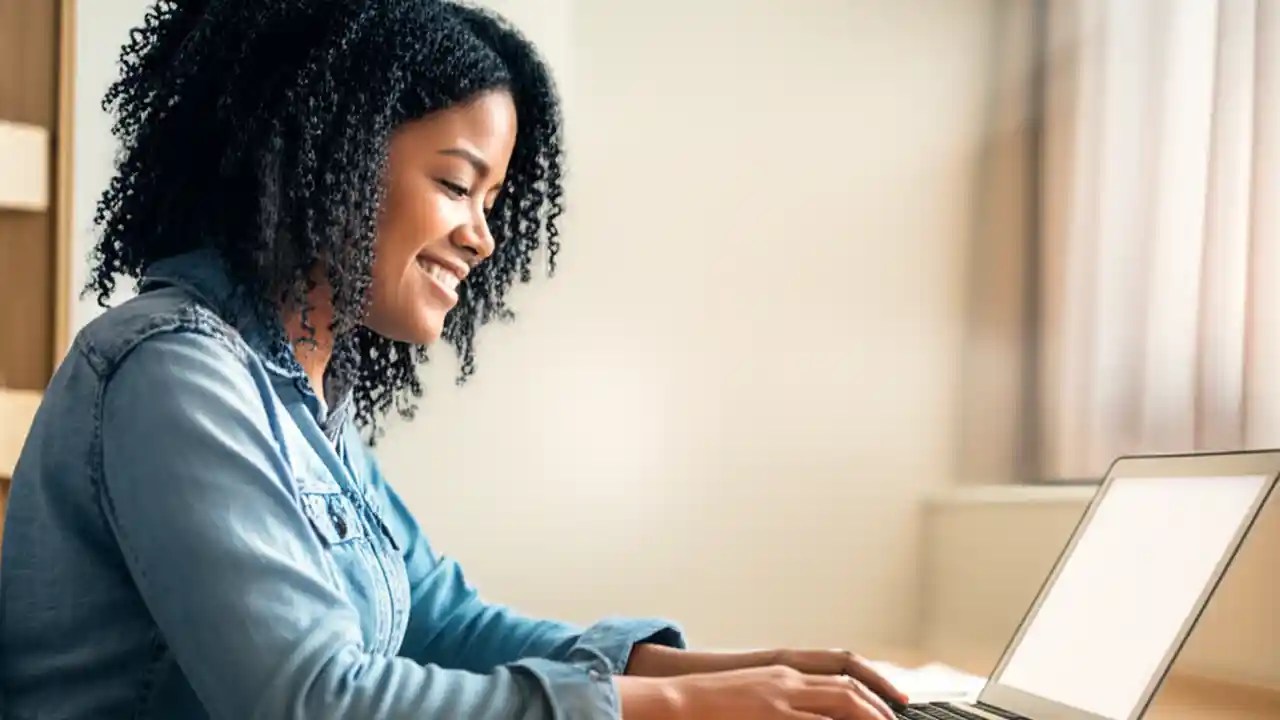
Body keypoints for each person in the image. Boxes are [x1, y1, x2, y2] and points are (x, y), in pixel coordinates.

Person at [0, 2, 908, 718]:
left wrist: (737, 672)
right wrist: (673, 708)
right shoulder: (174, 375)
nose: (480, 238)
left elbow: (440, 622)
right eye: (455, 184)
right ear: (332, 158)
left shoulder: (302, 392)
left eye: (494, 199)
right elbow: (312, 699)